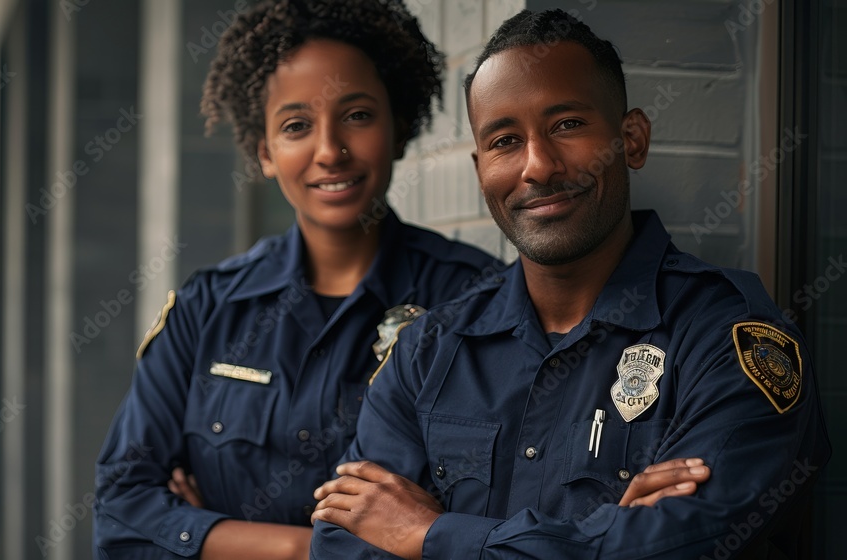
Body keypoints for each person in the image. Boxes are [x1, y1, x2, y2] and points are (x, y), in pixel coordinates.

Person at [310, 8, 831, 560]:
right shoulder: (428, 352)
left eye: (567, 125)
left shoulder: (726, 342)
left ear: (632, 140)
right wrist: (603, 540)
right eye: (505, 140)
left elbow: (686, 547)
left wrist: (427, 535)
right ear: (480, 168)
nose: (538, 166)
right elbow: (344, 543)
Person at [91, 1, 504, 558]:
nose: (330, 151)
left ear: (399, 127)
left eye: (357, 116)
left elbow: (501, 515)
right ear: (264, 152)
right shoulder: (208, 309)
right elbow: (121, 512)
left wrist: (205, 533)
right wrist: (302, 549)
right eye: (296, 127)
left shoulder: (477, 300)